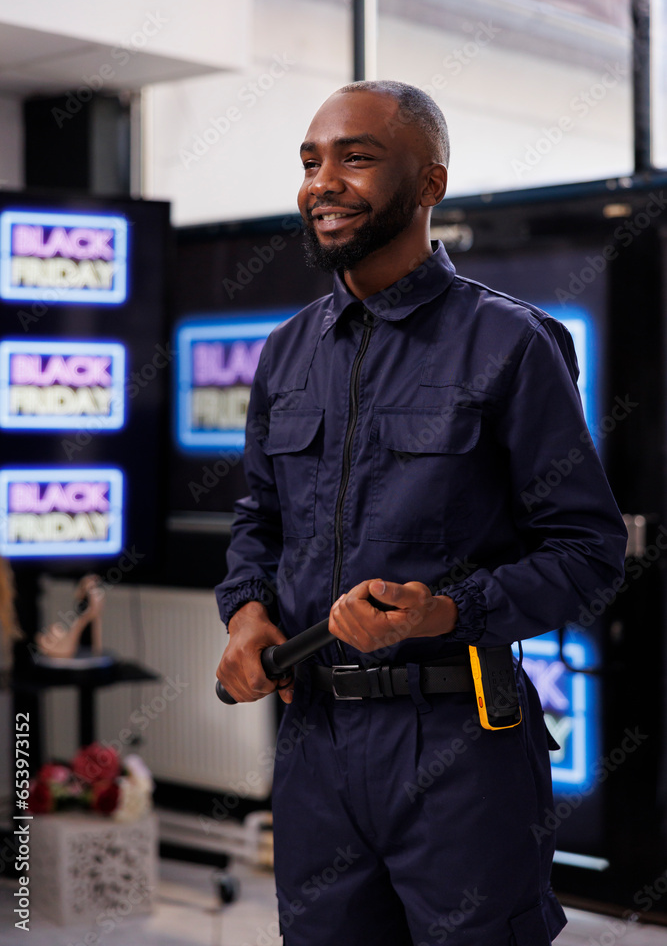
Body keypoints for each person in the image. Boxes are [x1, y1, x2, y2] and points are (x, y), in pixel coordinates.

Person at [215, 80, 627, 946]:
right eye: (310, 162)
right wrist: (246, 612)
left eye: (356, 158)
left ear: (430, 182)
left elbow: (587, 553)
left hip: (459, 746)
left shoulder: (511, 343)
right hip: (315, 745)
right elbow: (259, 518)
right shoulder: (285, 352)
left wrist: (440, 613)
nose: (323, 182)